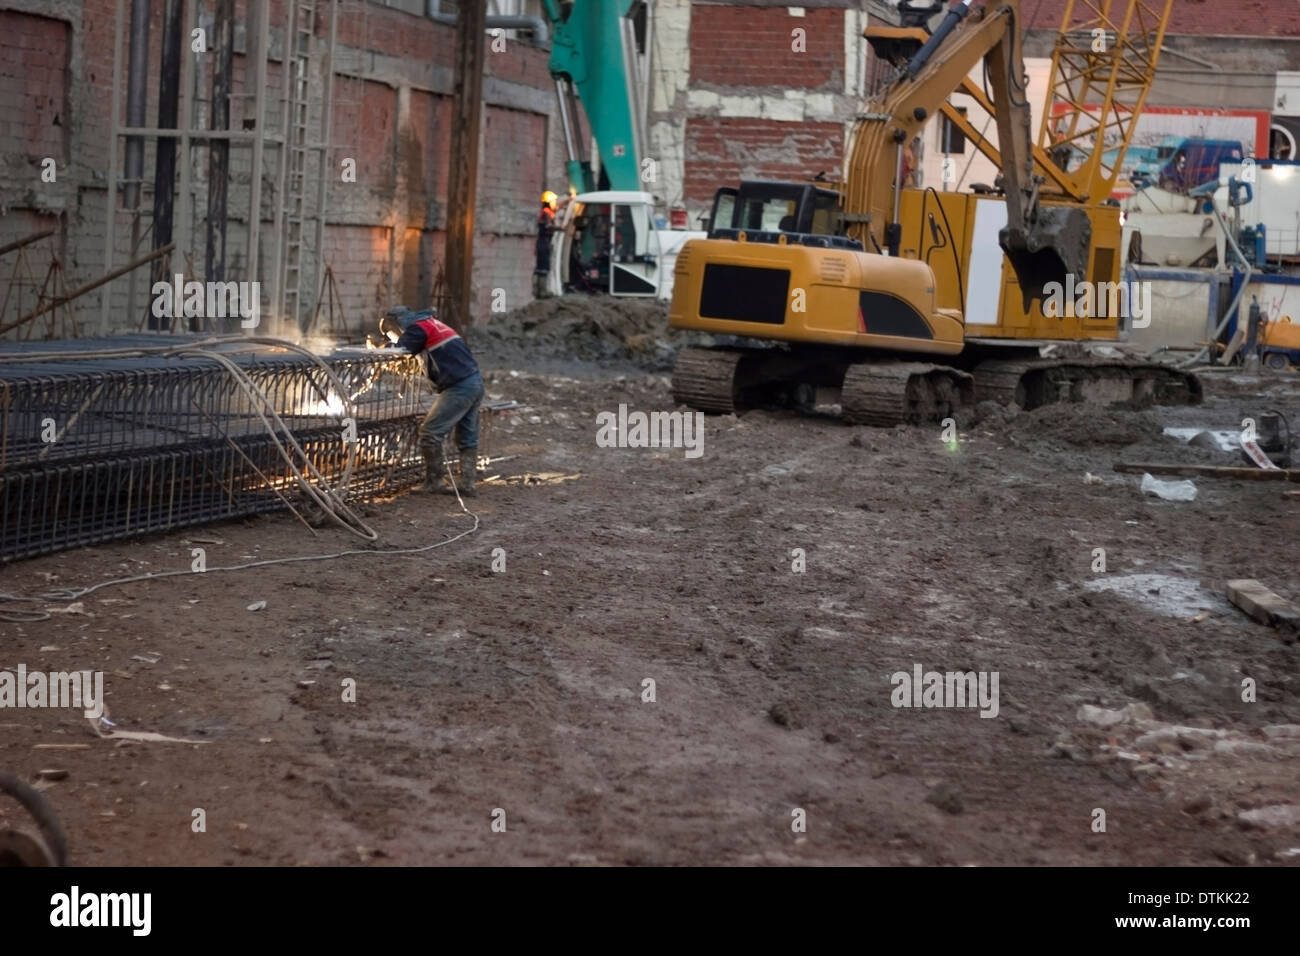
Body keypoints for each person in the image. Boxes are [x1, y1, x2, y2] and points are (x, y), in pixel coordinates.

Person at [379, 304, 484, 496]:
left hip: (459, 386)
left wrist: (380, 348)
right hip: (474, 381)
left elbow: (400, 350)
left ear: (397, 323)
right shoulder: (432, 324)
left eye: (391, 332)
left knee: (430, 432)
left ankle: (435, 481)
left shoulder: (418, 328)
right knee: (467, 435)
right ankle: (468, 484)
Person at [535, 190, 558, 297]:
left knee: (542, 266)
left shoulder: (546, 212)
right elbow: (548, 226)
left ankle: (540, 290)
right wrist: (561, 228)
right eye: (553, 201)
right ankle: (541, 291)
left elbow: (557, 208)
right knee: (543, 267)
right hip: (543, 243)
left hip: (543, 242)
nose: (555, 203)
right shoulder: (546, 213)